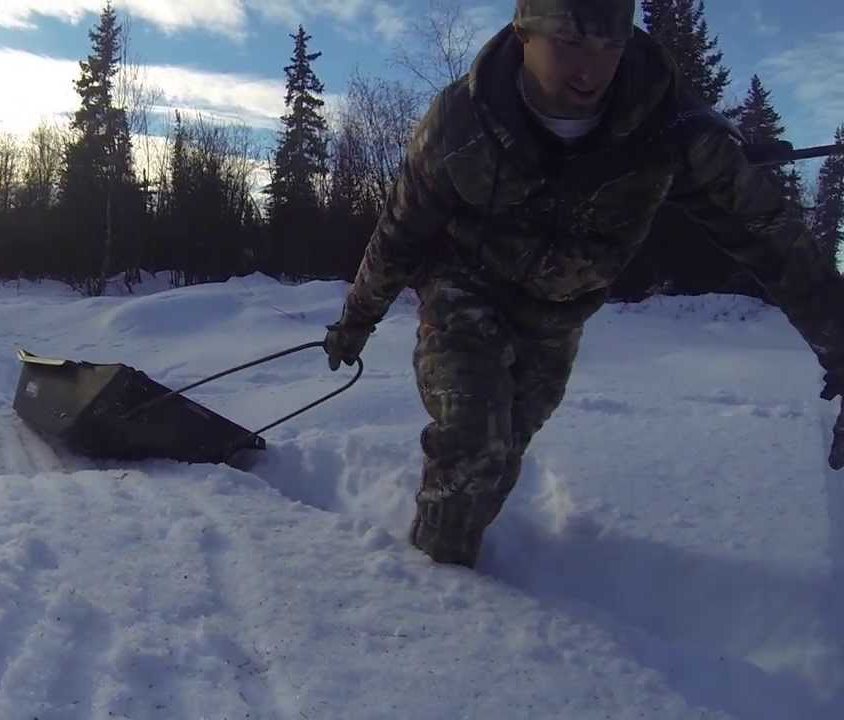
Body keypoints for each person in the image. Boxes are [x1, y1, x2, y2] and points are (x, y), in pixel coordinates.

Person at [323, 0, 844, 569]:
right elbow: (398, 233)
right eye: (569, 45)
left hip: (559, 313)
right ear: (525, 32)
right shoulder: (459, 124)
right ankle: (437, 594)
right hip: (463, 288)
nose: (590, 70)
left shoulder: (671, 126)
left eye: (609, 48)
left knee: (503, 454)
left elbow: (774, 239)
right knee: (474, 441)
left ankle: (450, 549)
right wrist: (354, 324)